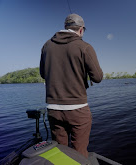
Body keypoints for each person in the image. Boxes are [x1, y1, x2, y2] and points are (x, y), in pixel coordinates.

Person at [40, 13, 103, 158]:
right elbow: (98, 78)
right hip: (77, 110)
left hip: (53, 110)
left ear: (65, 27)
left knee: (61, 153)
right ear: (81, 29)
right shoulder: (84, 47)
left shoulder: (46, 46)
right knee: (79, 154)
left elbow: (44, 74)